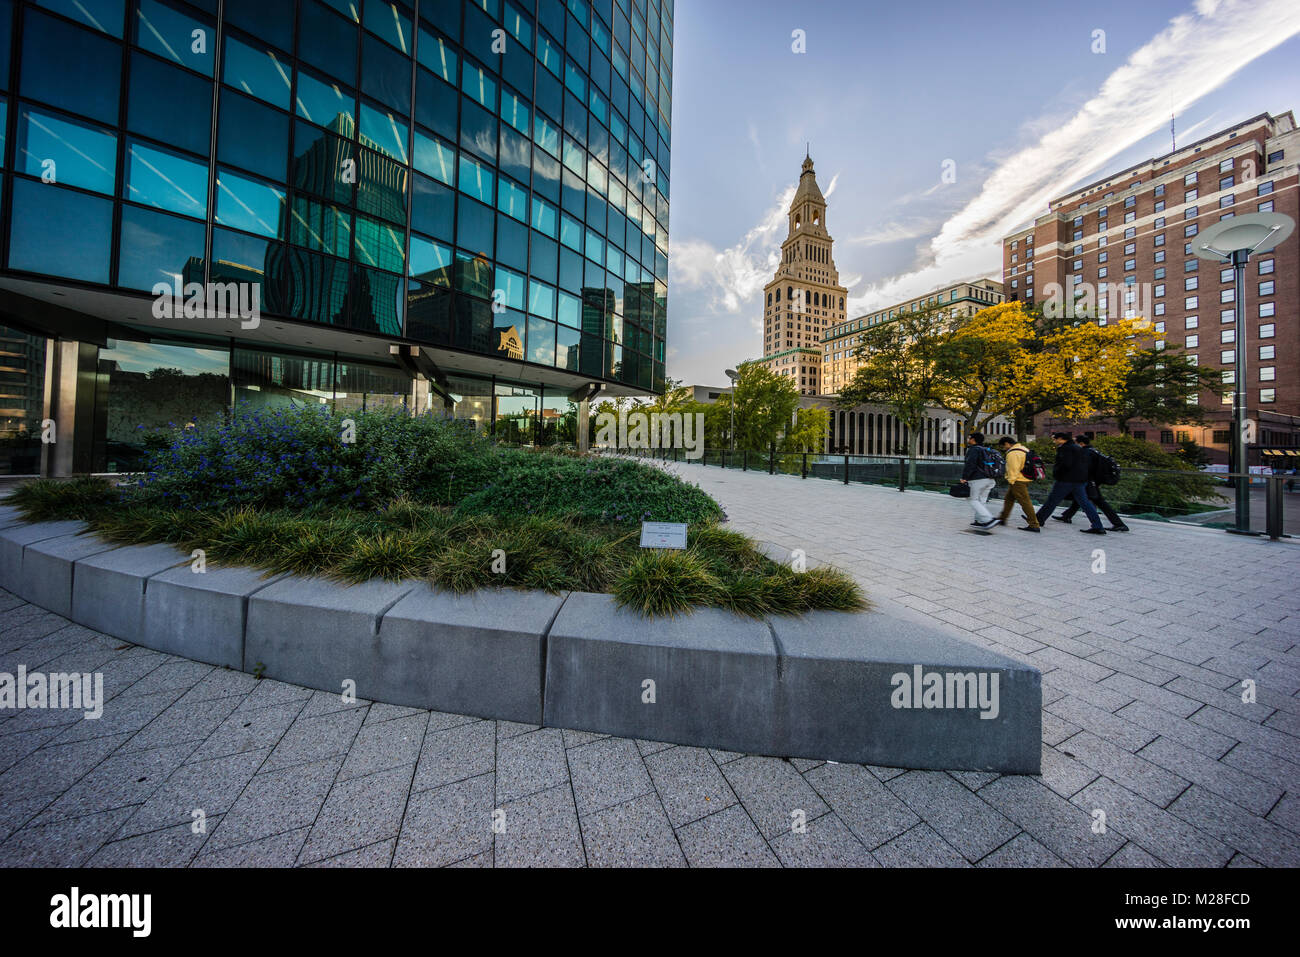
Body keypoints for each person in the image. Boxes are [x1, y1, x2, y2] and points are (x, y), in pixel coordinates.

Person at [1035, 432, 1106, 534]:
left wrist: (1057, 474)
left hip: (1066, 480)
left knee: (1052, 500)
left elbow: (1065, 464)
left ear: (1061, 438)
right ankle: (1098, 525)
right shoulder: (1078, 448)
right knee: (1085, 503)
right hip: (1080, 480)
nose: (1054, 441)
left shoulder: (1065, 449)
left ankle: (1038, 519)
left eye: (1055, 439)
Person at [1055, 435, 1129, 532]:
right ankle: (1067, 515)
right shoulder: (1093, 451)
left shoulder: (1086, 453)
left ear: (1081, 443)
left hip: (1091, 481)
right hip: (1093, 480)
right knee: (1081, 497)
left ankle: (1118, 524)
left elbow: (1086, 468)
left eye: (1075, 443)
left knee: (1099, 501)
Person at [995, 436, 1041, 532]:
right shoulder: (1023, 449)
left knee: (1025, 502)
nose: (1004, 449)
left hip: (1017, 481)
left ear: (1007, 443)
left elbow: (1013, 469)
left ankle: (1034, 524)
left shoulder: (1013, 453)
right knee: (1009, 499)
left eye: (1003, 446)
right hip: (1025, 478)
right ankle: (1002, 518)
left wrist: (1011, 481)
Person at [959, 432, 999, 529]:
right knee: (981, 500)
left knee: (972, 499)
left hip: (978, 479)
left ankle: (988, 520)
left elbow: (970, 465)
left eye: (969, 438)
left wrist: (965, 478)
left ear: (973, 440)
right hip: (990, 479)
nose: (968, 440)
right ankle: (979, 521)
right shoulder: (986, 450)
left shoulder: (974, 450)